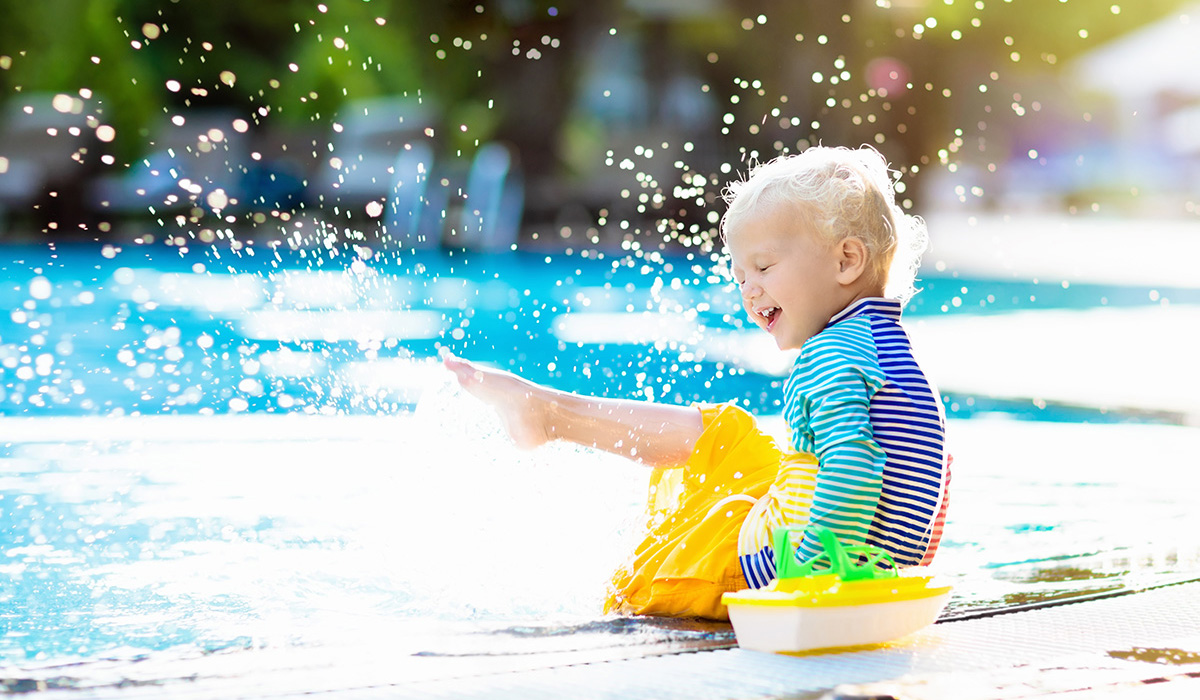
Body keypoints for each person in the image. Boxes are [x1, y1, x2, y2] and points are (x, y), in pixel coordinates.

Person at [442, 145, 950, 620]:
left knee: (663, 560)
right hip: (852, 556)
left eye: (763, 267)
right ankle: (548, 414)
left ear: (846, 261)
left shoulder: (829, 356)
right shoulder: (896, 356)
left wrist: (806, 581)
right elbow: (934, 473)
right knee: (726, 433)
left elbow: (854, 466)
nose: (749, 291)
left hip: (776, 568)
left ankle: (550, 420)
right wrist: (907, 569)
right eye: (740, 277)